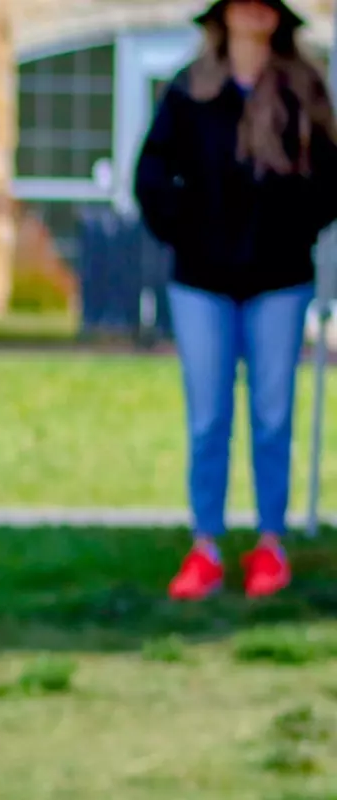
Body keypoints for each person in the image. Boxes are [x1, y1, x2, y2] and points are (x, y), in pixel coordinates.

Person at [138, 0, 337, 599]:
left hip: (279, 280)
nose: (253, 11)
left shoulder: (305, 93)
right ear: (222, 16)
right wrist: (187, 229)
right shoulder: (189, 93)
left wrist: (294, 227)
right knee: (208, 417)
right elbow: (151, 175)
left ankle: (270, 545)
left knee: (272, 415)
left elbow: (330, 180)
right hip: (201, 281)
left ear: (279, 17)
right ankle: (206, 547)